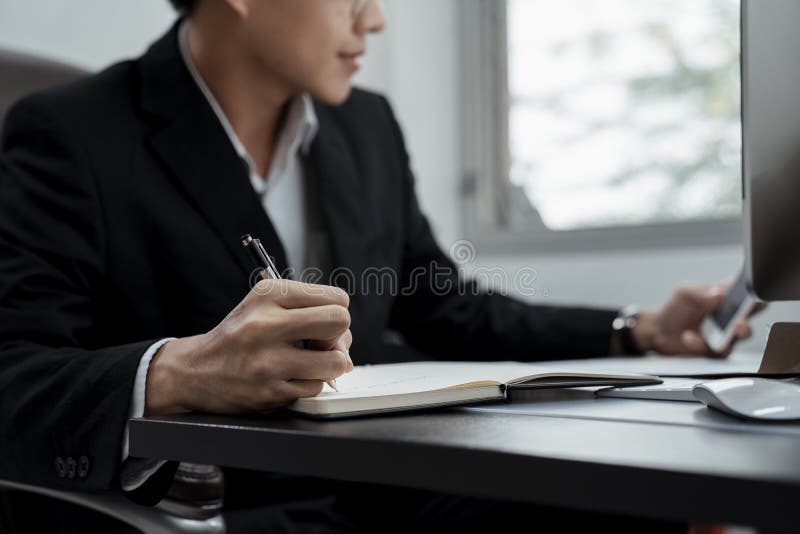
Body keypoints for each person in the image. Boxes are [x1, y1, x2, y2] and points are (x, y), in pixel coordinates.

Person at [0, 0, 754, 532]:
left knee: (636, 500)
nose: (377, 19)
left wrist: (636, 328)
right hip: (212, 510)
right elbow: (14, 375)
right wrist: (179, 373)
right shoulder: (70, 133)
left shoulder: (367, 125)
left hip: (378, 486)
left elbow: (449, 308)